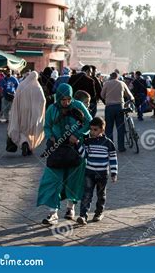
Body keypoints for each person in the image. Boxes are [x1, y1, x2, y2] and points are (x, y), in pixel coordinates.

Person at [37, 83, 92, 225]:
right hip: (57, 150)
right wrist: (50, 136)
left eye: (68, 99)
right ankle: (52, 213)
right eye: (63, 100)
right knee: (52, 180)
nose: (66, 103)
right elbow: (47, 125)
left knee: (74, 179)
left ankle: (70, 208)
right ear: (58, 98)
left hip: (75, 150)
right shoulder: (52, 109)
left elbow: (89, 122)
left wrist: (78, 135)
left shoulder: (78, 105)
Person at [76, 117, 118, 225]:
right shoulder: (88, 142)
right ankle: (83, 215)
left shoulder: (108, 143)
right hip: (89, 173)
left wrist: (114, 173)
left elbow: (113, 159)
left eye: (95, 130)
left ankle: (98, 213)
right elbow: (84, 155)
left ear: (102, 130)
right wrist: (78, 144)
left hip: (102, 174)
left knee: (101, 195)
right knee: (87, 194)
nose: (92, 132)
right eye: (91, 129)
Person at [7, 71, 46, 156]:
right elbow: (43, 100)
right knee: (31, 129)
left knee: (23, 129)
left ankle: (24, 143)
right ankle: (29, 146)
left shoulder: (21, 85)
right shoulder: (38, 87)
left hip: (22, 110)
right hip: (34, 112)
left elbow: (16, 98)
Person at [101, 71, 134, 152]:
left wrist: (107, 97)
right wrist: (131, 100)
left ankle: (110, 147)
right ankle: (121, 147)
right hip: (119, 107)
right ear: (117, 77)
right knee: (120, 128)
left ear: (110, 77)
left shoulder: (106, 84)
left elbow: (102, 95)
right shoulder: (122, 83)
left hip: (109, 108)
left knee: (108, 128)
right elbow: (130, 95)